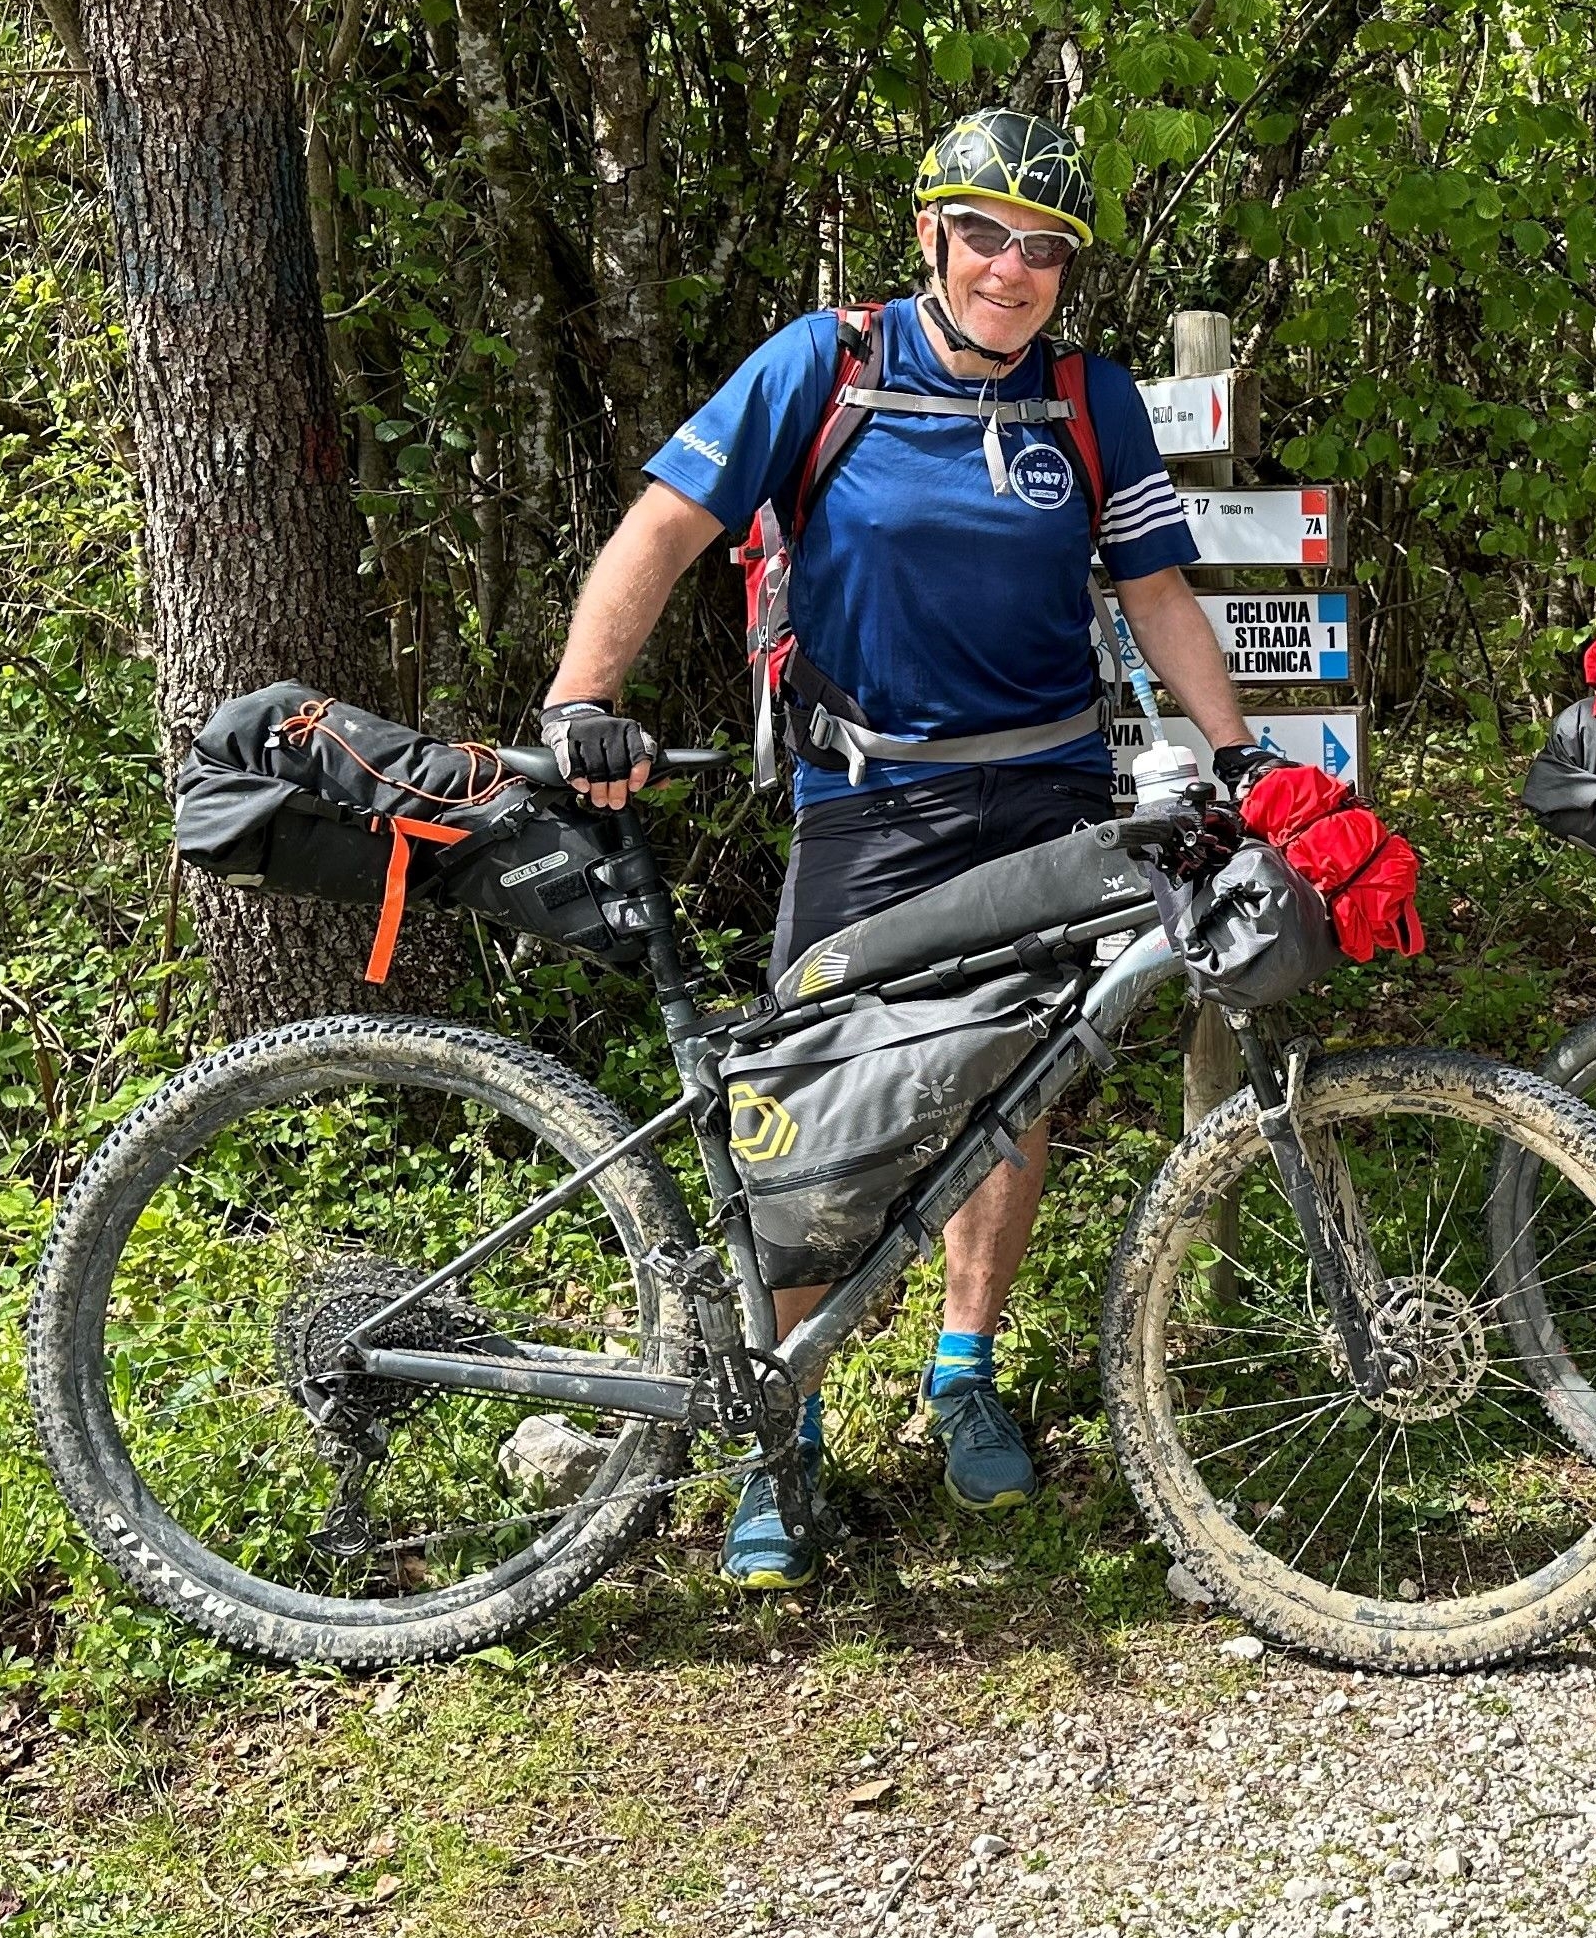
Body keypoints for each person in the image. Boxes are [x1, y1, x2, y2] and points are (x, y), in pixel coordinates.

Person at [535, 106, 1269, 1587]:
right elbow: (666, 526)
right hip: (869, 800)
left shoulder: (1087, 397)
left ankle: (962, 1369)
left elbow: (1155, 590)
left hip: (1049, 791)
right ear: (931, 234)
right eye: (984, 235)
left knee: (1017, 1078)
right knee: (809, 1099)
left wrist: (1239, 750)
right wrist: (579, 699)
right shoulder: (827, 365)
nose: (1011, 268)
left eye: (1044, 249)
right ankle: (783, 1425)